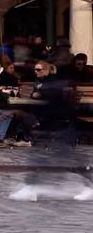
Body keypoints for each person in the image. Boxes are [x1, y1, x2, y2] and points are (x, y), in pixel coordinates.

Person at [11, 52, 93, 201]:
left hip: (63, 125)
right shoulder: (47, 83)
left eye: (39, 69)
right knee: (39, 155)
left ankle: (91, 184)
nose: (36, 72)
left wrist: (40, 93)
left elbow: (55, 96)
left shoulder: (61, 82)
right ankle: (31, 187)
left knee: (66, 156)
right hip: (48, 124)